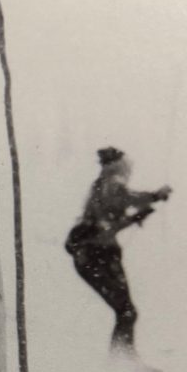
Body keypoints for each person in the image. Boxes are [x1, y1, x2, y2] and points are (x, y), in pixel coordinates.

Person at [65, 147, 171, 351]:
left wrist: (135, 217)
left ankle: (122, 360)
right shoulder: (113, 183)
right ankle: (122, 362)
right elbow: (126, 199)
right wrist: (155, 196)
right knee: (127, 311)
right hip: (99, 256)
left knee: (126, 311)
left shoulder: (100, 186)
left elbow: (108, 223)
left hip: (91, 255)